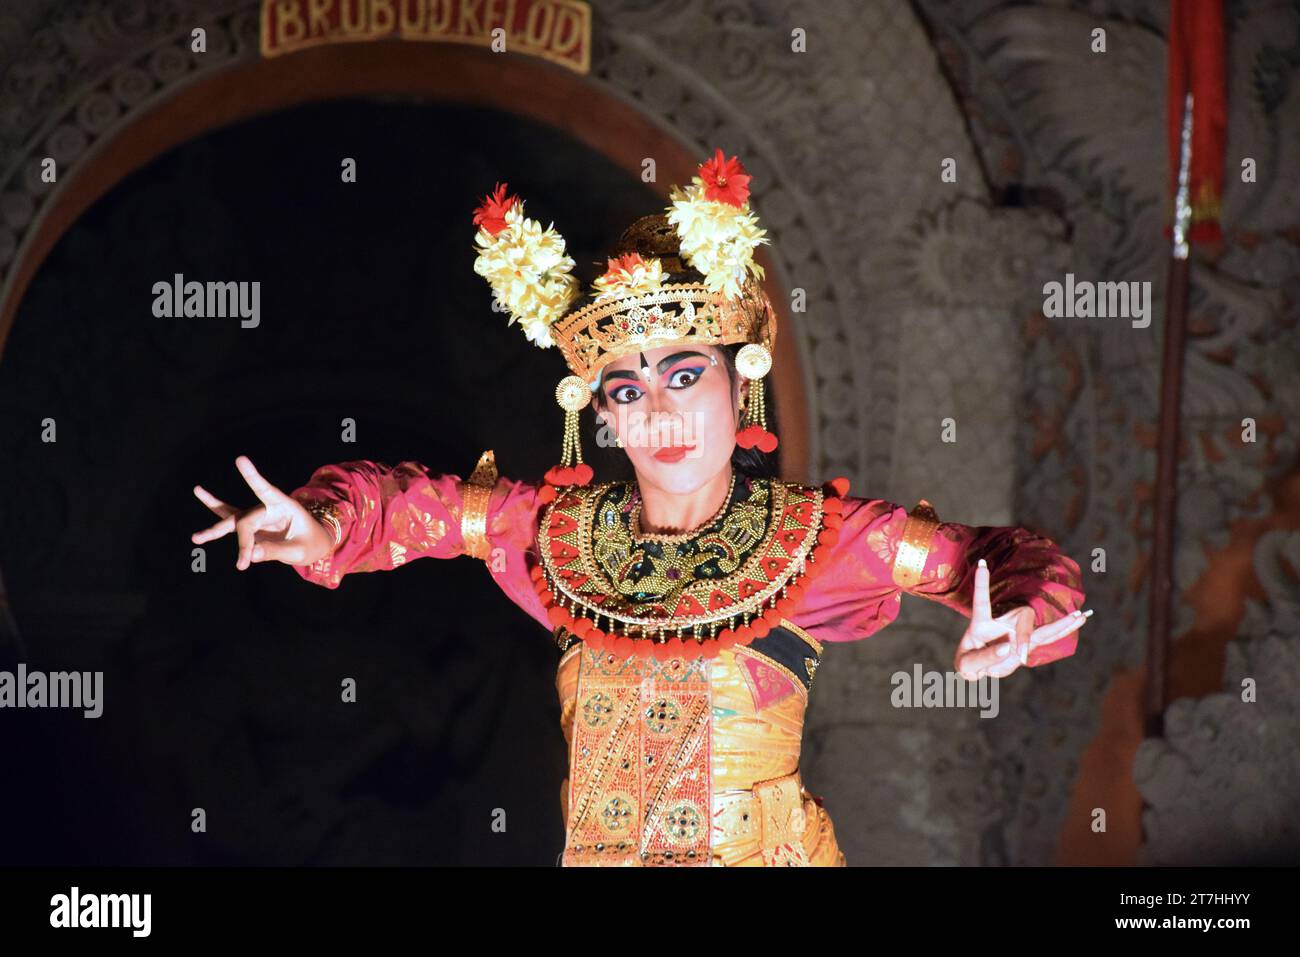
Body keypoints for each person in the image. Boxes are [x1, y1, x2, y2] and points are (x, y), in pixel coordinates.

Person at [190, 149, 1090, 866]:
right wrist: (326, 522)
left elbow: (1013, 558)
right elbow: (412, 507)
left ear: (742, 385)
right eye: (623, 389)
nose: (655, 410)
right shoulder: (556, 537)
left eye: (684, 375)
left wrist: (1017, 618)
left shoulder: (815, 541)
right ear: (599, 416)